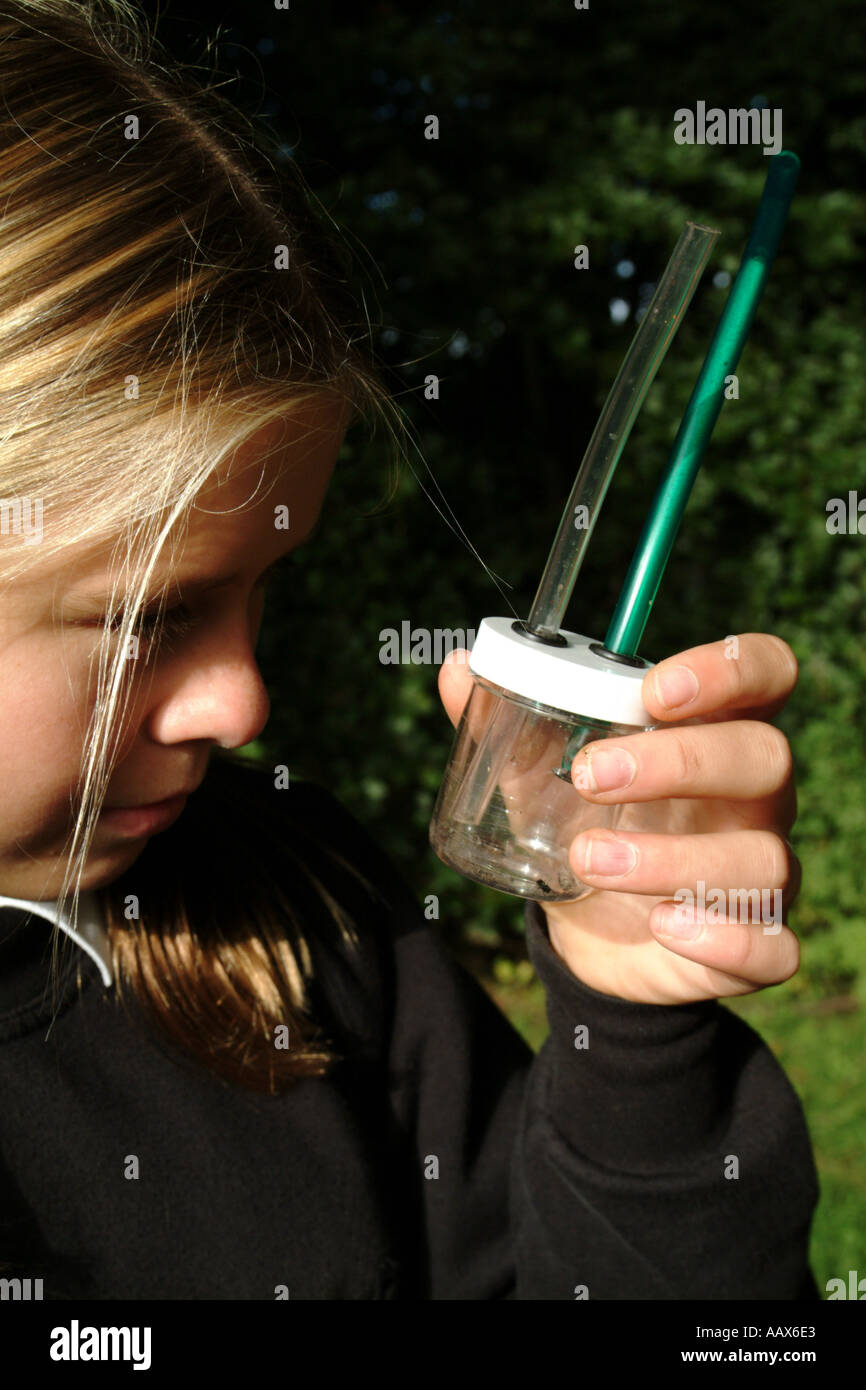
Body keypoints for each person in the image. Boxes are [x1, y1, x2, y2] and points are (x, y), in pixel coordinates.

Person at [0, 0, 818, 1300]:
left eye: (262, 588)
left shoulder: (305, 923)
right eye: (147, 615)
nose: (241, 698)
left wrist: (639, 1038)